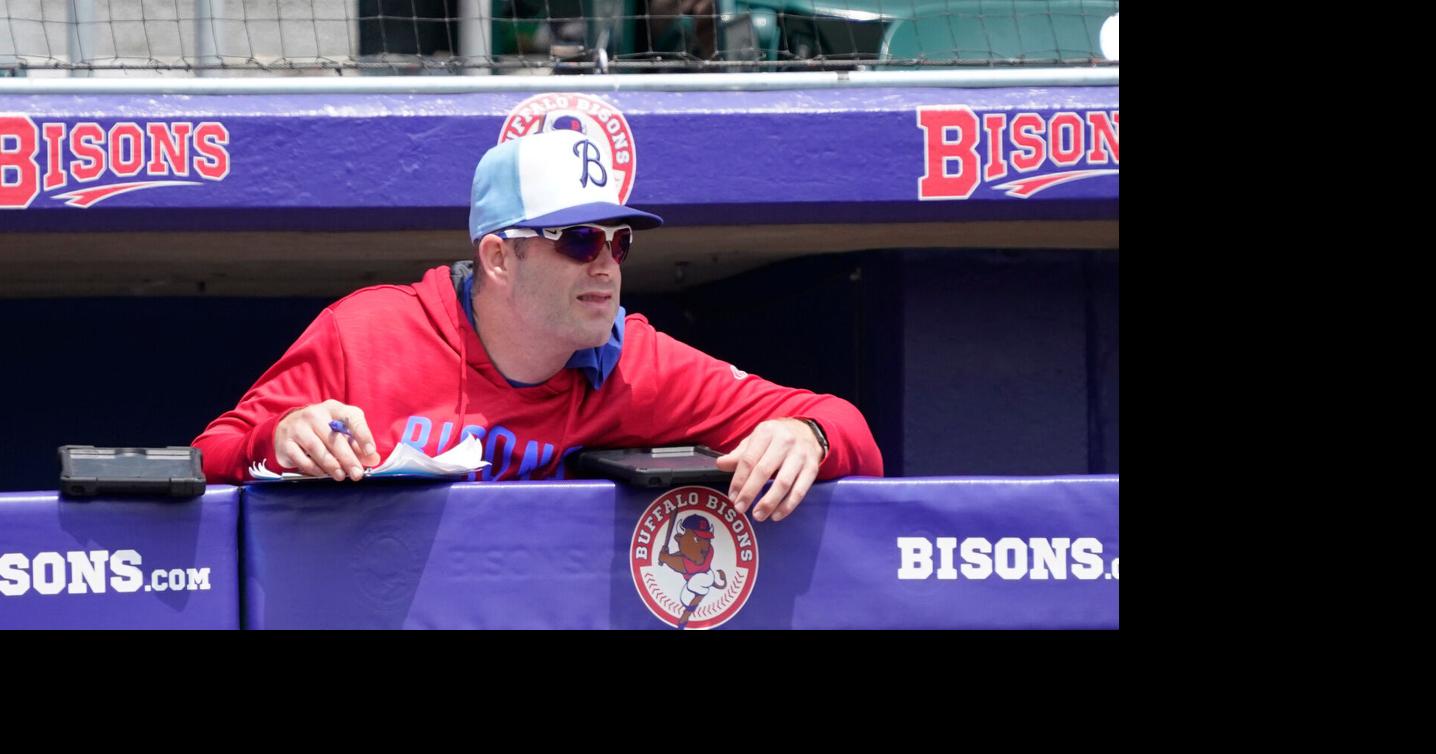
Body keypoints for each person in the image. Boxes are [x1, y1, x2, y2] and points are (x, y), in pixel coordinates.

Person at [193, 129, 882, 523]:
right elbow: (211, 455)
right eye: (579, 240)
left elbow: (847, 428)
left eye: (620, 243)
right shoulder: (368, 332)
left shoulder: (632, 361)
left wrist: (807, 435)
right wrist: (278, 440)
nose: (607, 266)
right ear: (498, 256)